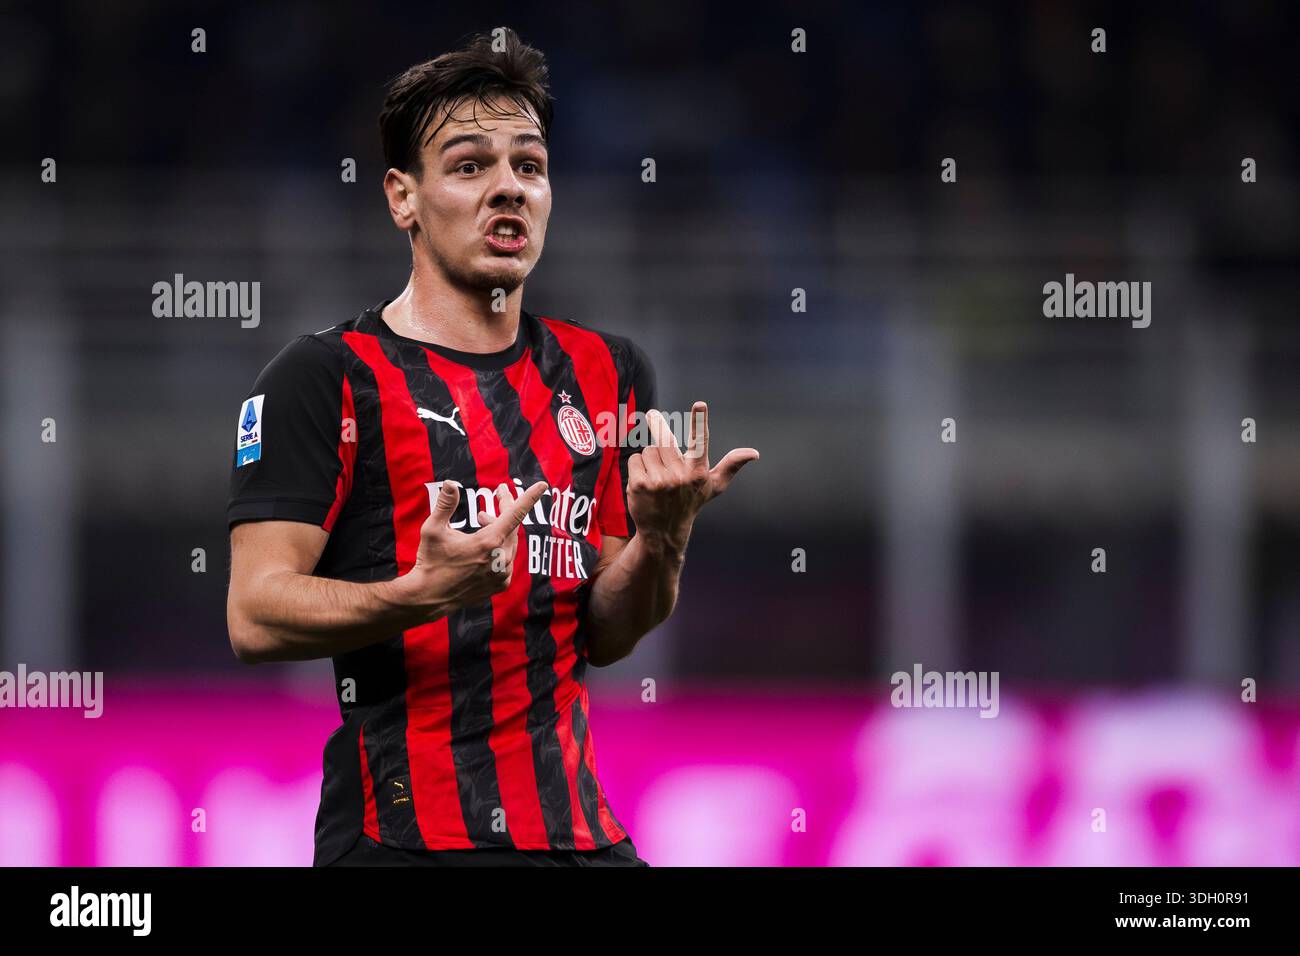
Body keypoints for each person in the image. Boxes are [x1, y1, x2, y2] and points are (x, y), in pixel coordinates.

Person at [225, 27, 758, 866]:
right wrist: (417, 594)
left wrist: (664, 535)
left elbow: (610, 635)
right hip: (402, 835)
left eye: (530, 166)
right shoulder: (324, 377)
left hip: (578, 833)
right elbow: (254, 615)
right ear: (404, 197)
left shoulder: (608, 373)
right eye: (470, 166)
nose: (507, 188)